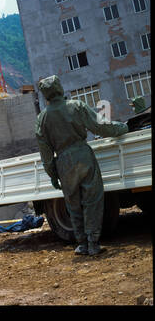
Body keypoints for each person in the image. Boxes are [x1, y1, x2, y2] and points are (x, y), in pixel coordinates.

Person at [34, 75, 128, 255]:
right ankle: (93, 243)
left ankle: (82, 244)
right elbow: (101, 127)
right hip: (83, 156)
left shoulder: (42, 119)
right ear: (59, 88)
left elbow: (45, 153)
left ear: (45, 95)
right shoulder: (76, 106)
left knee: (73, 204)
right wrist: (122, 128)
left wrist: (52, 174)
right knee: (92, 200)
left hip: (63, 163)